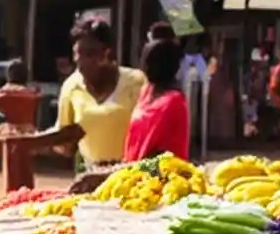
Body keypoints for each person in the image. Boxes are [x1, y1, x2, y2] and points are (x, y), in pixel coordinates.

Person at [55, 16, 147, 172]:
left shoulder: (137, 82)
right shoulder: (71, 87)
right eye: (77, 55)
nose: (81, 62)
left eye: (89, 54)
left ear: (107, 53)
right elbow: (64, 144)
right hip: (91, 178)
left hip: (131, 176)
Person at [125, 39, 191, 163]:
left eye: (151, 62)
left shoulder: (174, 101)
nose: (145, 67)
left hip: (163, 177)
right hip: (133, 173)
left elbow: (162, 153)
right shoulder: (146, 92)